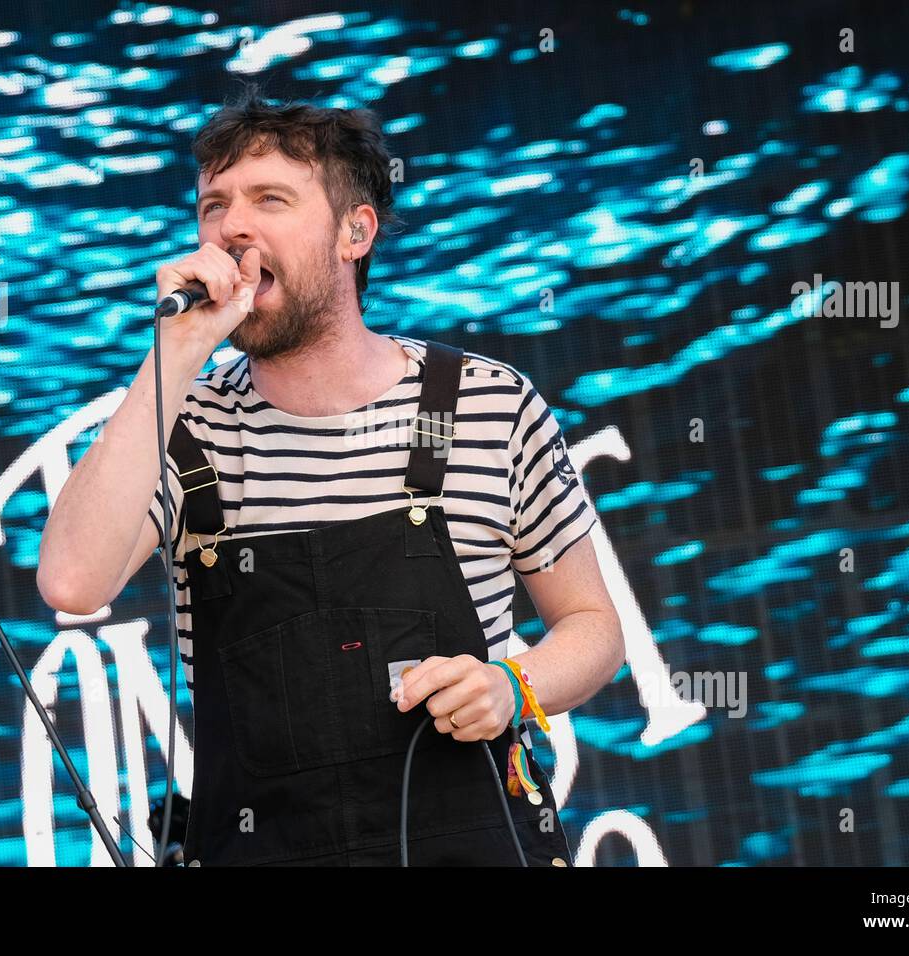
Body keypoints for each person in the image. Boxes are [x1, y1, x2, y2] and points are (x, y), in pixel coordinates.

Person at [37, 86, 625, 866]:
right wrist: (174, 354)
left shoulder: (489, 402)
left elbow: (595, 628)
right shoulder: (182, 428)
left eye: (270, 198)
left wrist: (511, 686)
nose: (232, 226)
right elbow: (72, 583)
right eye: (214, 206)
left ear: (356, 232)